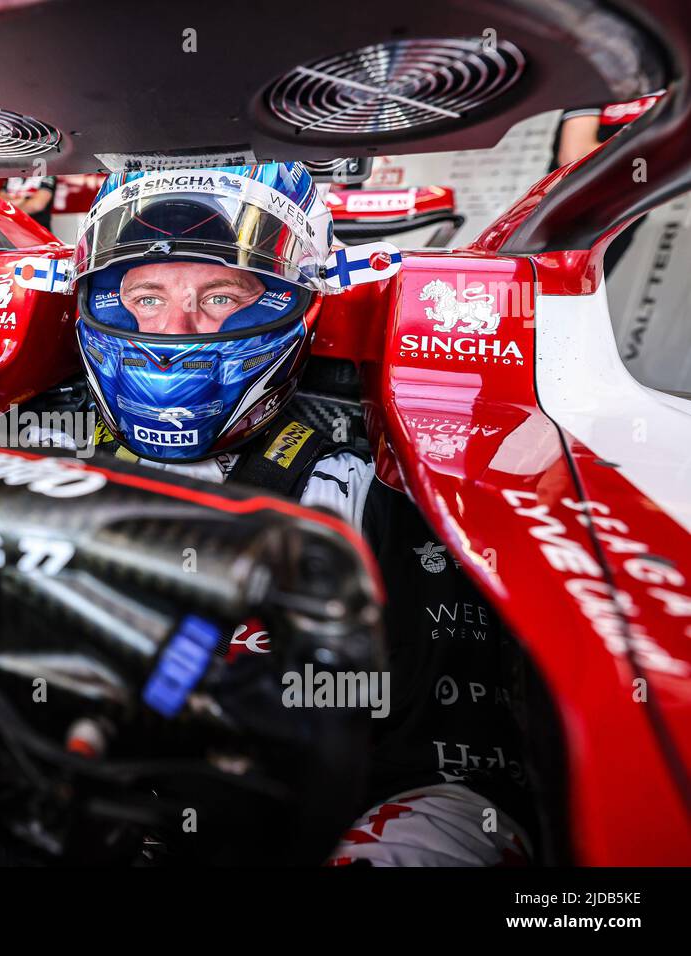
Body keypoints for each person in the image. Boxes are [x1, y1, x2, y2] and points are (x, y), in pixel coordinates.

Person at [68, 163, 531, 865]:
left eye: (221, 296)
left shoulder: (361, 492)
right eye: (145, 295)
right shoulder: (42, 457)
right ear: (103, 301)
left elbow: (460, 783)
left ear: (289, 302)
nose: (175, 327)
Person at [552, 92, 663, 275]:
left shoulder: (676, 77)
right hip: (569, 209)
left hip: (625, 215)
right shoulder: (597, 73)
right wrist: (648, 162)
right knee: (543, 293)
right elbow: (575, 154)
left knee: (585, 292)